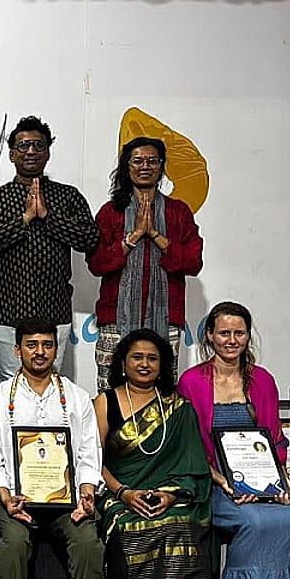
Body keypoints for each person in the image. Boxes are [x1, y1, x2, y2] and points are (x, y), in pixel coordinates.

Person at [176, 302, 290, 579]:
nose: (231, 340)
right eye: (224, 332)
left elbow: (275, 439)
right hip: (214, 483)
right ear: (209, 335)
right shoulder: (192, 382)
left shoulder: (264, 380)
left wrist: (280, 481)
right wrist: (223, 481)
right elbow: (190, 447)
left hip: (263, 481)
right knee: (254, 522)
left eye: (239, 333)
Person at [0, 319, 105, 579]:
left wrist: (87, 493)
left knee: (89, 544)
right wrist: (5, 497)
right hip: (16, 500)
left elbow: (89, 455)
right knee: (12, 545)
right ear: (17, 350)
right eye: (31, 345)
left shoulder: (77, 398)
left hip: (67, 502)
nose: (40, 352)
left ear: (56, 349)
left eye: (47, 345)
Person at [94, 329, 217, 579]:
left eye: (152, 358)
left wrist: (167, 494)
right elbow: (93, 460)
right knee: (133, 531)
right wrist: (124, 492)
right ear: (123, 362)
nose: (144, 364)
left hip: (167, 495)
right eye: (137, 357)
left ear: (163, 366)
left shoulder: (178, 409)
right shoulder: (106, 403)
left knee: (181, 528)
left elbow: (193, 467)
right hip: (119, 494)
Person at [0, 116, 99, 382]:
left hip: (55, 311)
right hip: (9, 313)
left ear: (48, 151)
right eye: (23, 146)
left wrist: (48, 216)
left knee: (52, 386)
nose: (31, 151)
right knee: (11, 388)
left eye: (38, 145)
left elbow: (90, 239)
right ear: (11, 154)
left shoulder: (68, 196)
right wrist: (24, 220)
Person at [87, 137, 203, 391]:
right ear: (126, 167)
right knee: (111, 391)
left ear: (161, 167)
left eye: (152, 161)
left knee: (162, 390)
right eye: (137, 161)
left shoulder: (178, 212)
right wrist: (134, 236)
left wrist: (156, 235)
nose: (145, 167)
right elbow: (96, 262)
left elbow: (193, 262)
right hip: (116, 319)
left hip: (166, 318)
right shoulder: (111, 212)